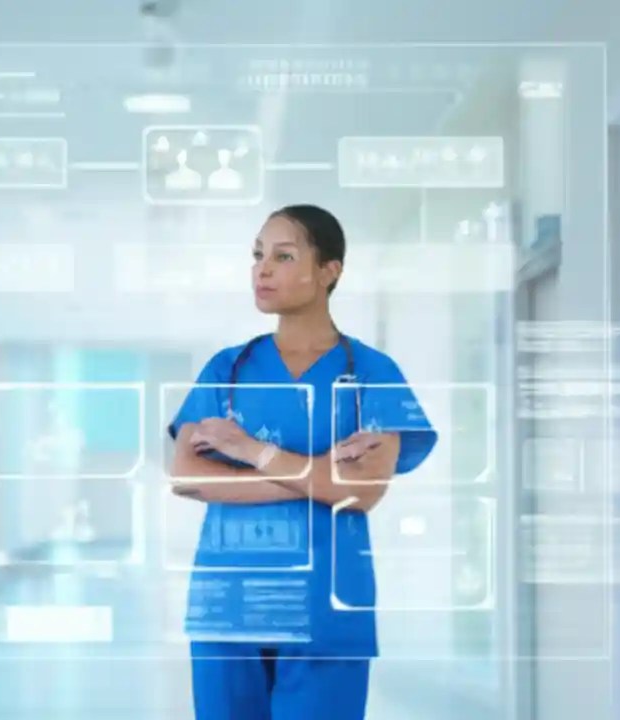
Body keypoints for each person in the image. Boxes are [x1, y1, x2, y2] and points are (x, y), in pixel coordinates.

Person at [167, 204, 438, 720]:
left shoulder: (373, 375)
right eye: (257, 255)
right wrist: (319, 475)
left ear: (329, 271)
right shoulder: (226, 368)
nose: (262, 270)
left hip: (326, 611)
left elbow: (365, 491)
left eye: (283, 256)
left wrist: (250, 452)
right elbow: (186, 476)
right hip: (229, 607)